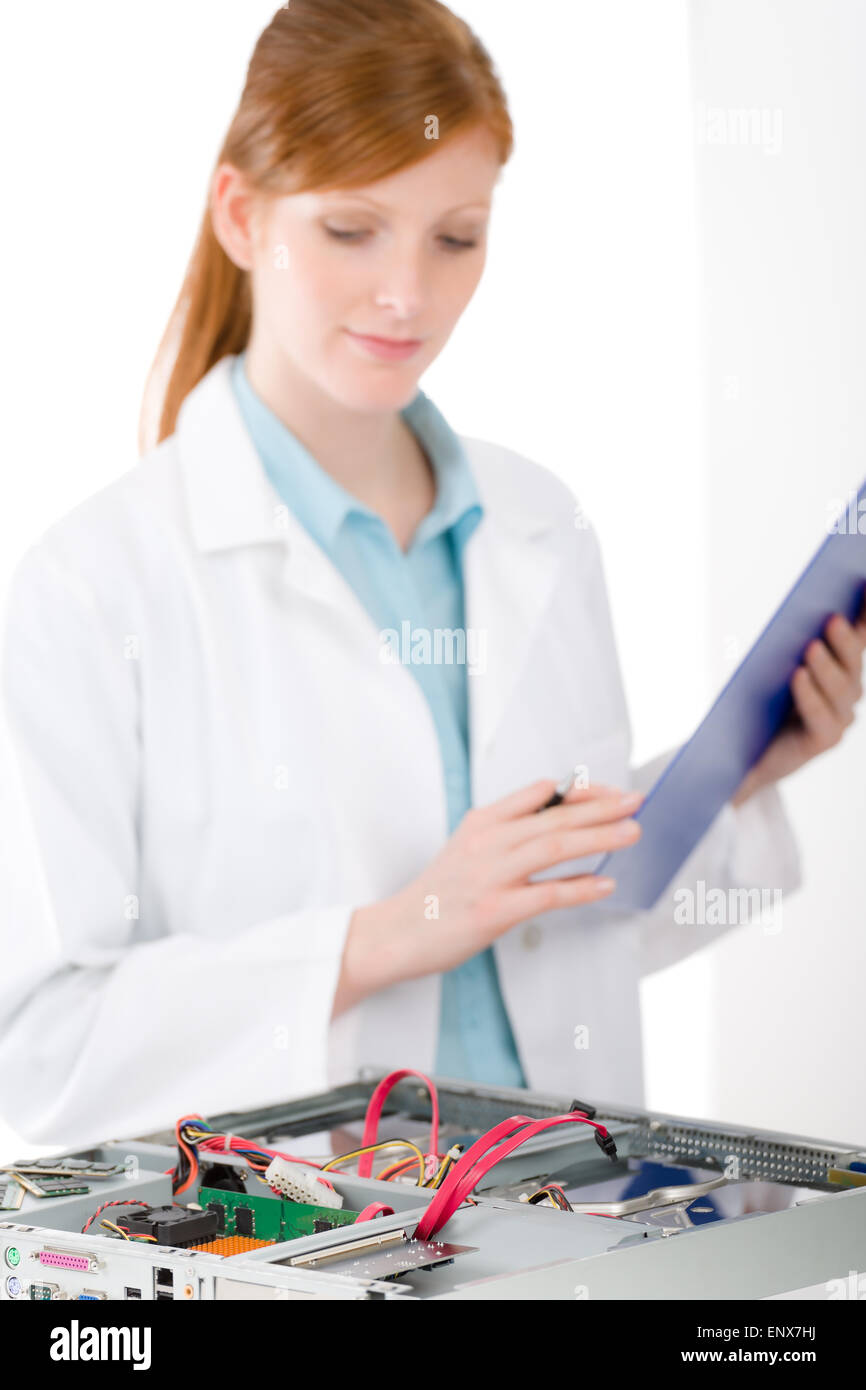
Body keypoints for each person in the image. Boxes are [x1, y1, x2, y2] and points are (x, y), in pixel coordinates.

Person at [0, 0, 863, 1149]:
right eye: (353, 230)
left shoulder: (539, 524)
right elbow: (37, 1049)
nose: (407, 293)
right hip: (305, 1242)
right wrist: (387, 934)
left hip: (562, 1201)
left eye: (454, 237)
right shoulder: (94, 585)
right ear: (241, 215)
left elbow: (549, 943)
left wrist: (740, 767)